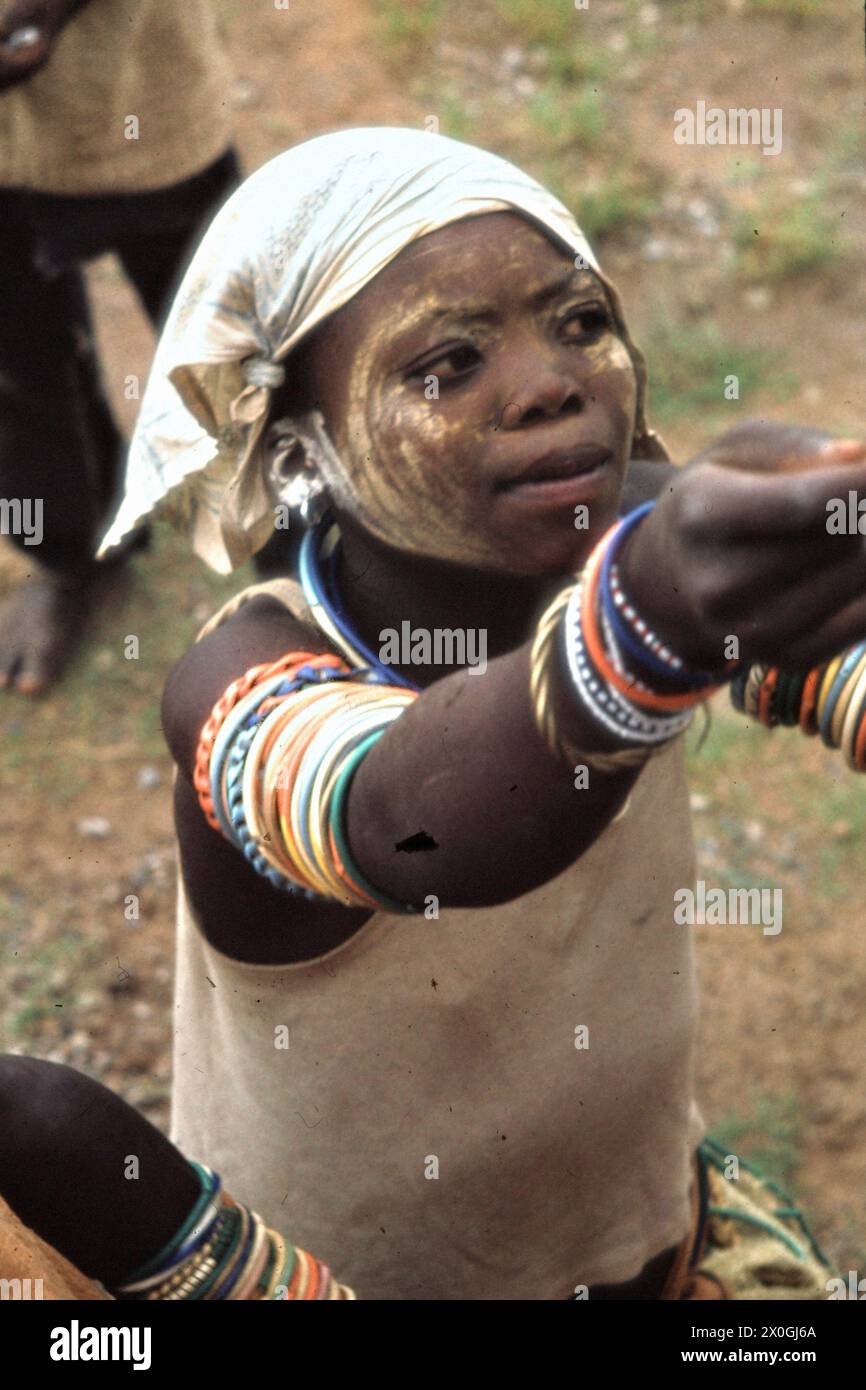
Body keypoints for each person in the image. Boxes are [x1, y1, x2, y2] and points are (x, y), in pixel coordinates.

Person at [91, 127, 861, 1300]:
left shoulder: (629, 546)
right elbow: (418, 819)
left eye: (579, 321)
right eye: (447, 364)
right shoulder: (238, 693)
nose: (550, 381)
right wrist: (644, 617)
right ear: (302, 455)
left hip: (651, 1234)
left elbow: (809, 652)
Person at [0, 0, 238, 692]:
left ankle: (308, 556)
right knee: (17, 370)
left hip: (138, 93)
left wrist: (38, 12)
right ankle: (73, 554)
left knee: (227, 344)